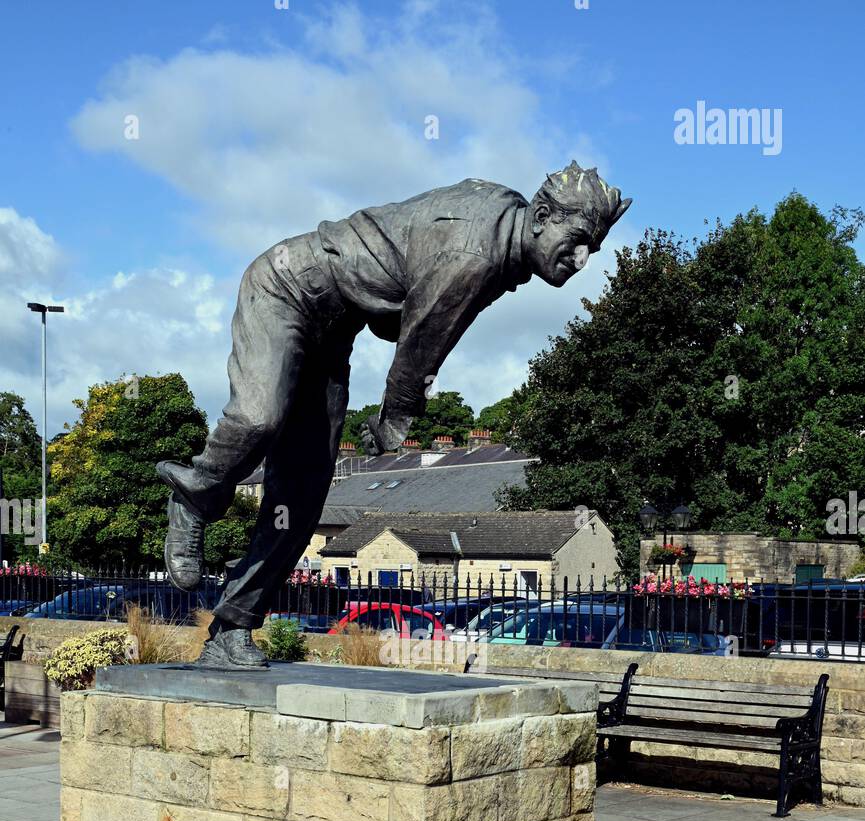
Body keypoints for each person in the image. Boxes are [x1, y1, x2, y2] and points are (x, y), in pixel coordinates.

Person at [157, 163, 631, 667]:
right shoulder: (475, 254)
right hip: (285, 287)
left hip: (331, 332)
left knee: (300, 500)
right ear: (540, 216)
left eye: (592, 250)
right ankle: (194, 494)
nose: (581, 258)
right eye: (578, 239)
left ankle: (232, 627)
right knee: (258, 417)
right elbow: (422, 342)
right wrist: (394, 420)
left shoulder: (502, 222)